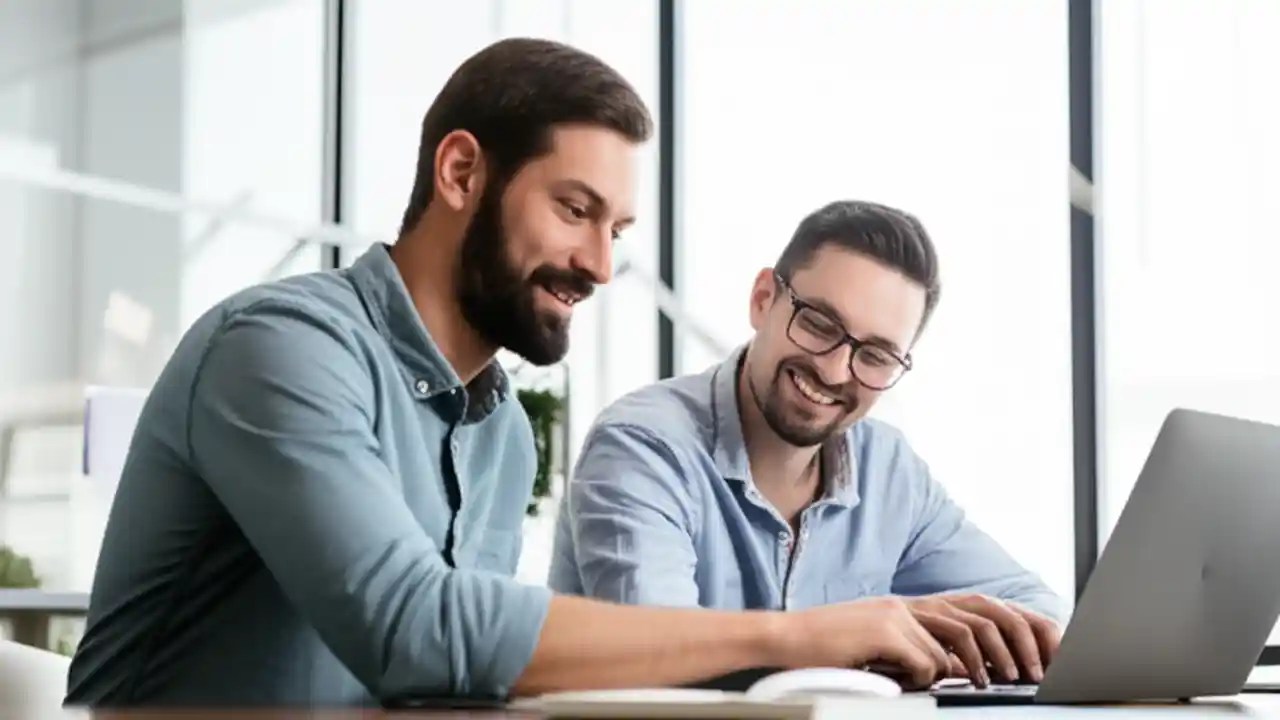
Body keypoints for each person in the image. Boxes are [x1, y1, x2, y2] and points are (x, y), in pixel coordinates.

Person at [65, 40, 981, 708]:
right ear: (462, 171)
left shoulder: (499, 431)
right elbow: (416, 633)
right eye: (575, 210)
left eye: (616, 231)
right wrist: (798, 637)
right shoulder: (280, 349)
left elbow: (458, 685)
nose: (598, 263)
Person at [549, 200, 1068, 689]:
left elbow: (1039, 613)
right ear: (763, 300)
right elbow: (650, 650)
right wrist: (844, 637)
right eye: (819, 325)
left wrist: (914, 641)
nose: (835, 369)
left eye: (877, 356)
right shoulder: (644, 446)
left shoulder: (887, 471)